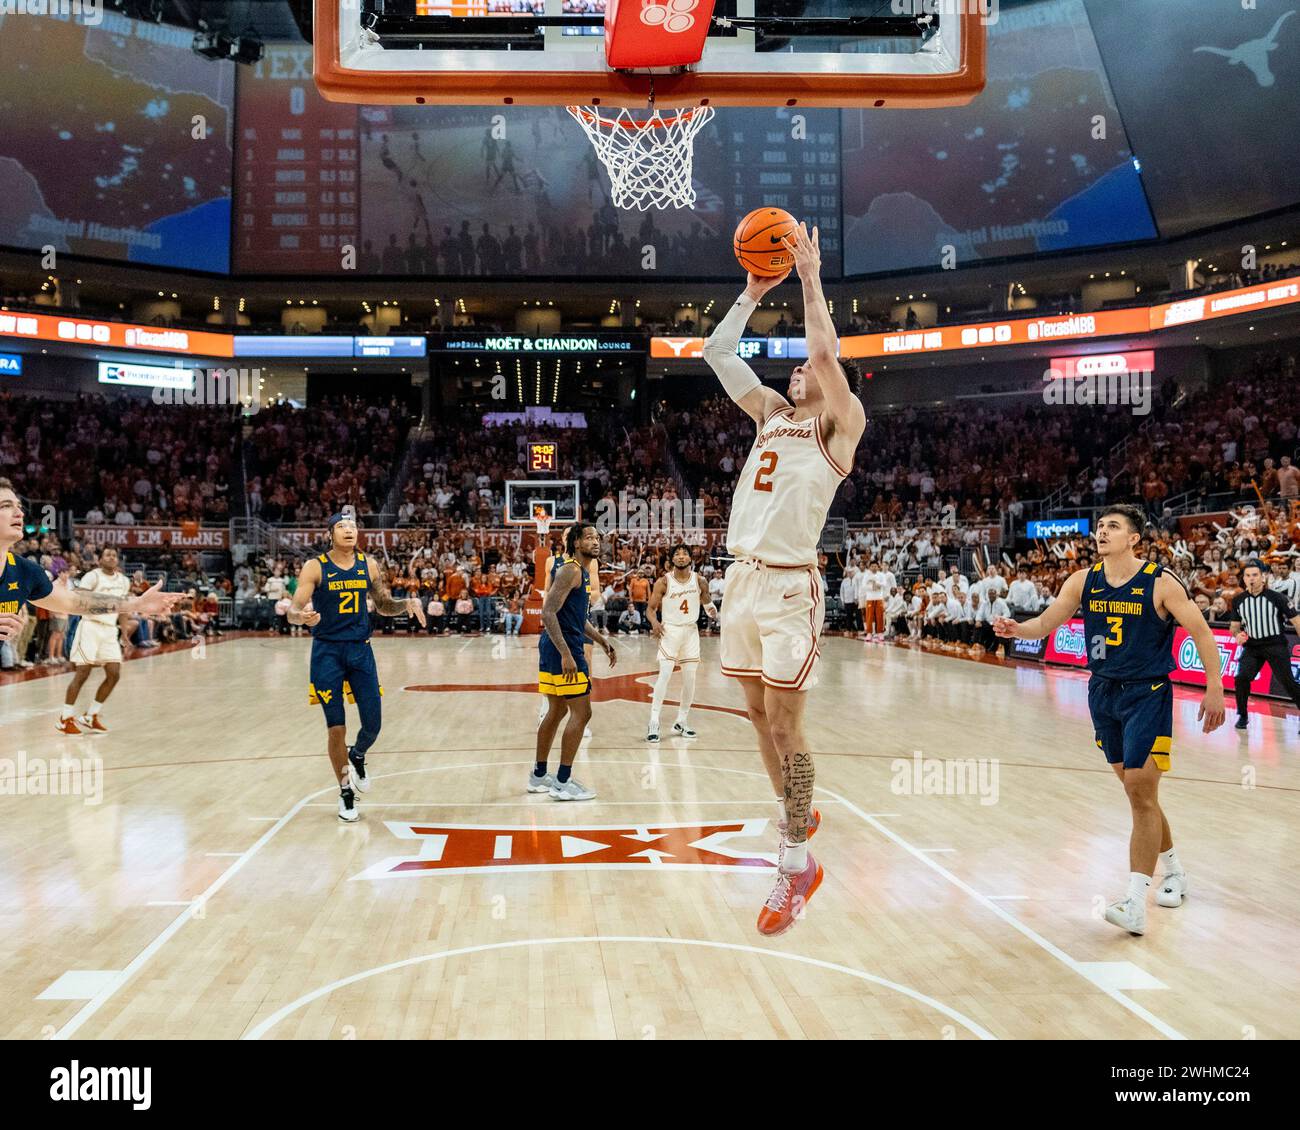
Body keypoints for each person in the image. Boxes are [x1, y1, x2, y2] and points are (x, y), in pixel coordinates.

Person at [702, 222, 865, 937]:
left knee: (788, 725)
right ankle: (793, 813)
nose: (800, 370)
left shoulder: (840, 426)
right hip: (740, 581)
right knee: (757, 718)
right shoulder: (770, 413)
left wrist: (807, 277)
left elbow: (826, 349)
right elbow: (715, 352)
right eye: (795, 369)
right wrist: (748, 292)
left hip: (791, 588)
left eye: (809, 370)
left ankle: (794, 863)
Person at [995, 504, 1226, 936]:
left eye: (1112, 527)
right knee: (1139, 794)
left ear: (1134, 538)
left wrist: (1214, 685)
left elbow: (1201, 631)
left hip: (1148, 693)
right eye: (1100, 526)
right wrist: (1017, 629)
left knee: (1140, 791)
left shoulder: (1159, 581)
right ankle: (1174, 871)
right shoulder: (1084, 580)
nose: (1102, 532)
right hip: (1102, 692)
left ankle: (1135, 902)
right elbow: (1048, 621)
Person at [287, 513, 426, 822]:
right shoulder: (316, 566)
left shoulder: (369, 564)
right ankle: (345, 791)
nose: (348, 530)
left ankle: (358, 754)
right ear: (330, 533)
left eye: (352, 526)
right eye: (341, 526)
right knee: (336, 727)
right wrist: (302, 617)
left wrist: (408, 604)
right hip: (327, 654)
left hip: (361, 652)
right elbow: (293, 611)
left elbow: (385, 605)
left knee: (373, 725)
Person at [0, 480, 181, 686]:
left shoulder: (24, 570)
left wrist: (136, 604)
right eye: (6, 506)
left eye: (19, 507)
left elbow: (74, 601)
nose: (19, 513)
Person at [529, 524, 616, 801]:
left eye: (597, 538)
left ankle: (539, 775)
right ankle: (563, 781)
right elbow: (547, 612)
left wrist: (602, 641)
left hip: (558, 645)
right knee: (582, 713)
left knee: (555, 712)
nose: (596, 541)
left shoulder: (582, 571)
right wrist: (567, 653)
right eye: (589, 537)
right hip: (562, 647)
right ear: (576, 542)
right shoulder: (571, 570)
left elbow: (577, 618)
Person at [645, 542, 717, 741]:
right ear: (671, 560)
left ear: (690, 558)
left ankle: (682, 721)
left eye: (685, 554)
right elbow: (650, 609)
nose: (681, 557)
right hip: (670, 630)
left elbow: (707, 603)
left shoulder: (700, 581)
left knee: (690, 678)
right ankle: (653, 721)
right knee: (665, 675)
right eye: (677, 554)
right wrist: (655, 623)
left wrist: (712, 611)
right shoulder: (664, 582)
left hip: (691, 632)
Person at [58, 547, 132, 734]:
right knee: (83, 672)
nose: (111, 558)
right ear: (100, 559)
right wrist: (102, 602)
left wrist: (124, 633)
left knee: (114, 673)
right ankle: (65, 717)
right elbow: (79, 598)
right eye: (107, 555)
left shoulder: (124, 581)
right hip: (90, 626)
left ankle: (90, 715)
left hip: (109, 630)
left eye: (114, 555)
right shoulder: (92, 576)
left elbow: (123, 607)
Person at [1228, 560, 1300, 730]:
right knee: (1242, 678)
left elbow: (1297, 621)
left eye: (1255, 575)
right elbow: (1234, 627)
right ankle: (1243, 715)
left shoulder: (1277, 597)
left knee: (1288, 682)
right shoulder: (1238, 600)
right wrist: (1237, 634)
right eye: (1248, 576)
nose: (1251, 579)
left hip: (1275, 645)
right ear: (1243, 579)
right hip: (1253, 647)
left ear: (1263, 577)